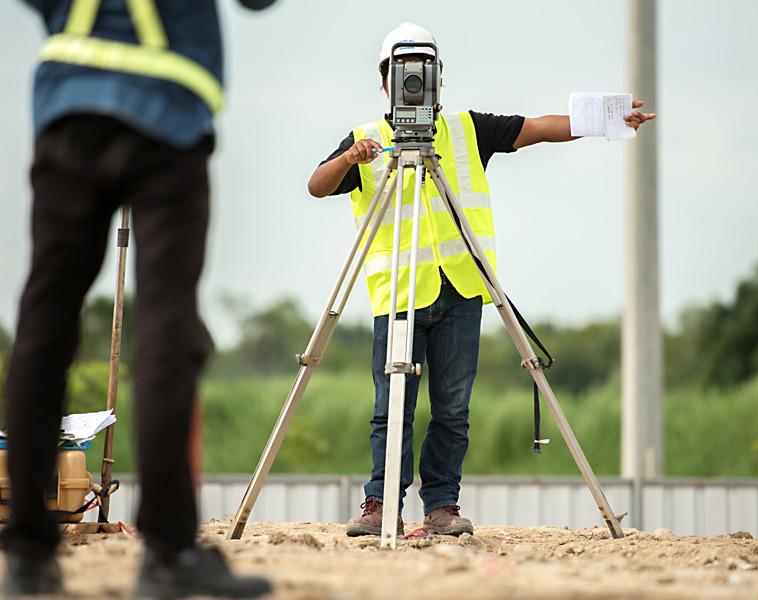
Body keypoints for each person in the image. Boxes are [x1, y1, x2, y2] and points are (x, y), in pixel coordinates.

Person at [307, 22, 655, 538]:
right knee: (391, 407)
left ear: (438, 77)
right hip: (399, 295)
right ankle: (380, 505)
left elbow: (537, 127)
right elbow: (317, 186)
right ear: (385, 81)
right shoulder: (367, 141)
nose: (413, 83)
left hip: (463, 290)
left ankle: (441, 507)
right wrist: (349, 159)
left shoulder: (466, 130)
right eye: (402, 73)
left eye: (422, 72)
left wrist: (606, 119)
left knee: (452, 408)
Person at [2, 1, 277, 597]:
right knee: (166, 326)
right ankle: (169, 552)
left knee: (45, 322)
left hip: (68, 106)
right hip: (168, 117)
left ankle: (26, 553)